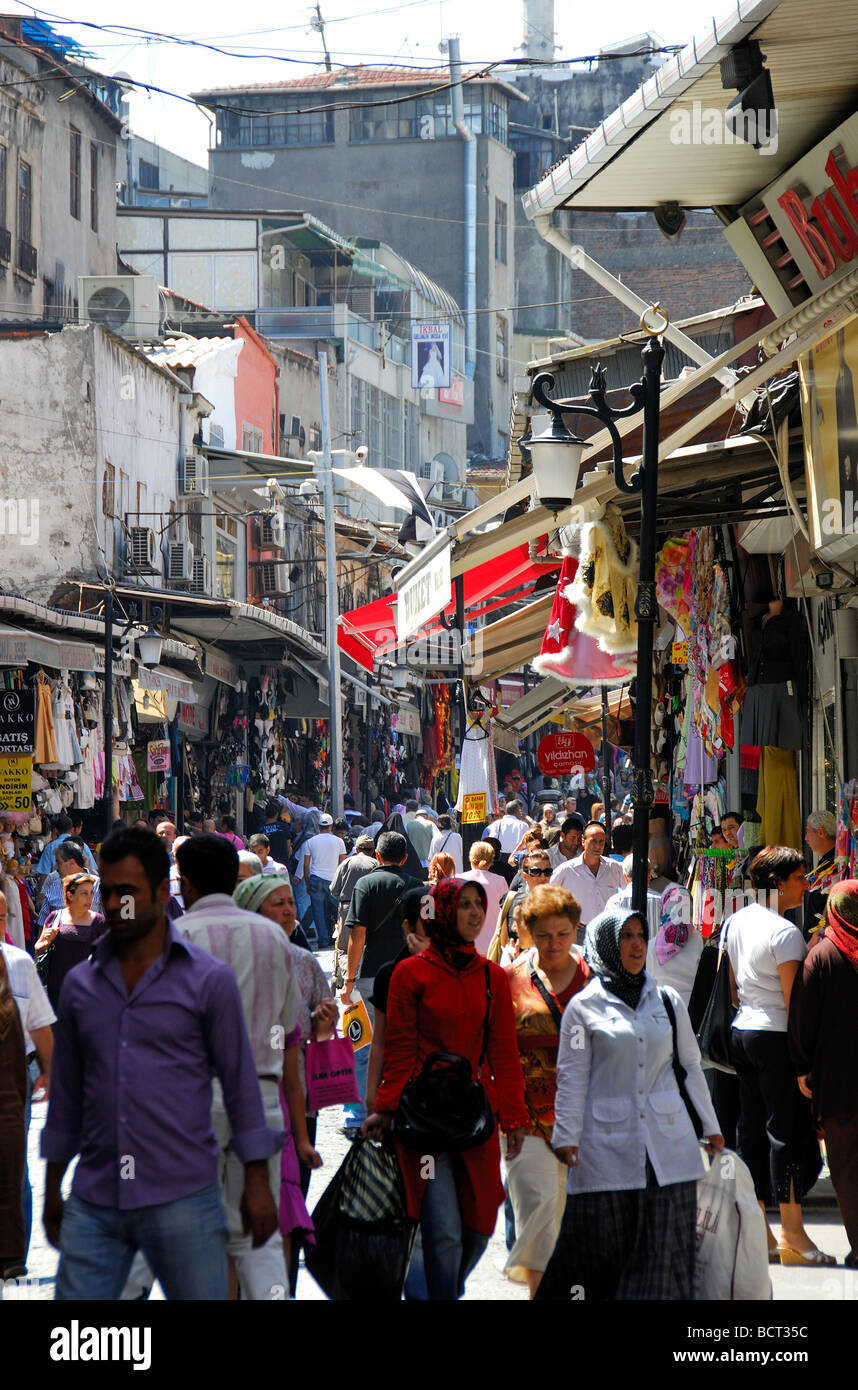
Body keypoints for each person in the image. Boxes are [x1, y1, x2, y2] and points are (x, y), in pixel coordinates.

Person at [42, 827, 280, 1300]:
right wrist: (52, 1184)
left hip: (185, 1196)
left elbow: (239, 1086)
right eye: (106, 892)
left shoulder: (207, 982)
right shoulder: (82, 988)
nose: (112, 904)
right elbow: (66, 1093)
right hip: (97, 1197)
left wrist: (256, 1180)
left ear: (158, 891)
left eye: (125, 892)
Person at [536, 907, 723, 1301]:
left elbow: (689, 1065)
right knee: (605, 1259)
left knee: (664, 1261)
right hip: (607, 1153)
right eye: (626, 936)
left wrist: (711, 1126)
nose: (637, 944)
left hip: (668, 1152)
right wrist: (566, 1138)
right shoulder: (583, 1009)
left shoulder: (667, 999)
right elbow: (572, 1079)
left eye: (641, 935)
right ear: (605, 944)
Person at [364, 878, 529, 1300]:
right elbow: (398, 1050)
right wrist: (383, 1107)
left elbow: (504, 1055)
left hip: (475, 1118)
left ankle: (440, 1292)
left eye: (480, 905)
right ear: (444, 912)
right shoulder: (409, 974)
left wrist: (514, 1118)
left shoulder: (493, 976)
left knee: (480, 1224)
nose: (476, 913)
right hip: (423, 1122)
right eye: (465, 906)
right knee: (443, 1232)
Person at [721, 846, 831, 1265]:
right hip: (775, 1036)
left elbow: (732, 988)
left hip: (743, 1032)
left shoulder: (735, 921)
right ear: (777, 883)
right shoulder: (784, 933)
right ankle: (793, 1234)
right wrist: (806, 1060)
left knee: (751, 1132)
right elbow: (794, 1003)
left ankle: (762, 1233)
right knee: (785, 1132)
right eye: (801, 878)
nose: (807, 885)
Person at [233, 873, 334, 1296]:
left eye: (291, 901)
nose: (290, 910)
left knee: (290, 1204)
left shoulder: (304, 961)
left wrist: (325, 1024)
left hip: (299, 1102)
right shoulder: (232, 963)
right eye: (278, 903)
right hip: (245, 1103)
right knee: (243, 1207)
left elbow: (320, 1032)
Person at [503, 885, 589, 1297]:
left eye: (562, 934)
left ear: (576, 930)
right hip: (525, 1121)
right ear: (527, 932)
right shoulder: (508, 981)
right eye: (543, 935)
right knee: (538, 1219)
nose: (553, 943)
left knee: (574, 1230)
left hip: (587, 1124)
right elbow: (494, 1051)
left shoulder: (597, 981)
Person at [789, 879, 858, 1269]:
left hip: (837, 1083)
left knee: (846, 1166)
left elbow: (804, 1019)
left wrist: (802, 1067)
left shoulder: (822, 955)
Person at [339, 831, 423, 1136]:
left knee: (362, 1045)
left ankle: (357, 1114)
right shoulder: (418, 887)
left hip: (369, 976)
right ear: (404, 858)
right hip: (408, 977)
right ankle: (399, 1107)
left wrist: (348, 979)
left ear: (377, 855)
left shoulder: (365, 884)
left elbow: (357, 935)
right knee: (404, 1044)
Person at [1, 910, 54, 1270]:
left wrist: (49, 1071)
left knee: (15, 1167)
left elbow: (39, 1024)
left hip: (11, 1080)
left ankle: (14, 1254)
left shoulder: (19, 962)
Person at [34, 873, 107, 1012]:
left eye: (91, 893)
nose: (90, 898)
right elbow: (38, 948)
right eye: (84, 893)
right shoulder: (55, 917)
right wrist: (45, 943)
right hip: (57, 992)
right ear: (70, 895)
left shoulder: (99, 921)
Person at [550, 821, 625, 932]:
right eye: (593, 841)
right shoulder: (567, 869)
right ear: (583, 841)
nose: (598, 846)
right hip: (578, 931)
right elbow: (548, 897)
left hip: (608, 930)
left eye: (601, 841)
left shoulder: (614, 867)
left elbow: (629, 892)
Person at [302, 813, 346, 949]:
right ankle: (340, 936)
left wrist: (308, 883)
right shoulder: (339, 841)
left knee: (318, 911)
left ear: (319, 826)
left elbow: (306, 865)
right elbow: (343, 862)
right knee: (337, 909)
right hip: (333, 879)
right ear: (331, 826)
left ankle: (323, 940)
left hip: (315, 879)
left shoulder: (310, 842)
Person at [460, 842, 508, 956]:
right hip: (492, 948)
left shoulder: (458, 879)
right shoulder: (500, 881)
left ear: (471, 859)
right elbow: (506, 914)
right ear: (491, 861)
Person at [803, 810, 840, 940]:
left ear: (821, 832)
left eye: (808, 831)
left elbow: (830, 904)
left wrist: (816, 936)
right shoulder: (827, 861)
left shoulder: (837, 864)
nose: (806, 837)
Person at [404, 799, 433, 868]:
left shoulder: (403, 819)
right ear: (417, 808)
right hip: (427, 860)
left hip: (410, 859)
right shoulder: (430, 824)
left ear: (406, 808)